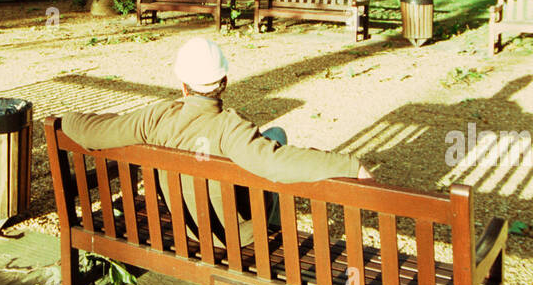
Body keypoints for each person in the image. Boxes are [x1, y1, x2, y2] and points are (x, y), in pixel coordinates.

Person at [60, 37, 375, 246]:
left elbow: (89, 133)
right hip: (234, 238)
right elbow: (275, 163)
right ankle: (275, 230)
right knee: (275, 139)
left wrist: (64, 120)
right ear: (224, 82)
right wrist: (349, 164)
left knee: (270, 139)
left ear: (183, 86)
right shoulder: (230, 128)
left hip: (185, 228)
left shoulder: (154, 117)